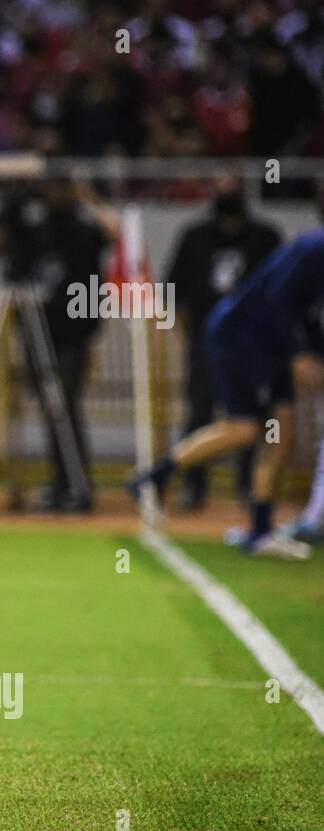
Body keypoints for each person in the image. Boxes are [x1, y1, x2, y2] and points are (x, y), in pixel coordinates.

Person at [128, 228, 324, 557]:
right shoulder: (314, 248)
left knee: (281, 433)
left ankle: (261, 530)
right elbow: (279, 300)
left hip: (267, 347)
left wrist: (310, 352)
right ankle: (154, 477)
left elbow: (306, 314)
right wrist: (298, 354)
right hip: (243, 340)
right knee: (246, 428)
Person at [0, 176, 119, 512]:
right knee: (50, 408)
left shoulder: (83, 230)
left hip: (73, 334)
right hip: (35, 331)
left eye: (62, 187)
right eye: (50, 187)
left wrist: (89, 197)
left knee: (66, 407)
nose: (54, 194)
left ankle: (76, 485)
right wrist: (6, 206)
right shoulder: (34, 228)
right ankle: (60, 485)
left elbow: (117, 234)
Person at [164, 177, 281, 509]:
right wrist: (190, 333)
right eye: (221, 187)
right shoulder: (194, 235)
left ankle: (248, 486)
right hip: (207, 342)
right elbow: (174, 288)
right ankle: (193, 485)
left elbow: (279, 291)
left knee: (250, 417)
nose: (227, 193)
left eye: (233, 186)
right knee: (199, 412)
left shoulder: (265, 237)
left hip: (253, 345)